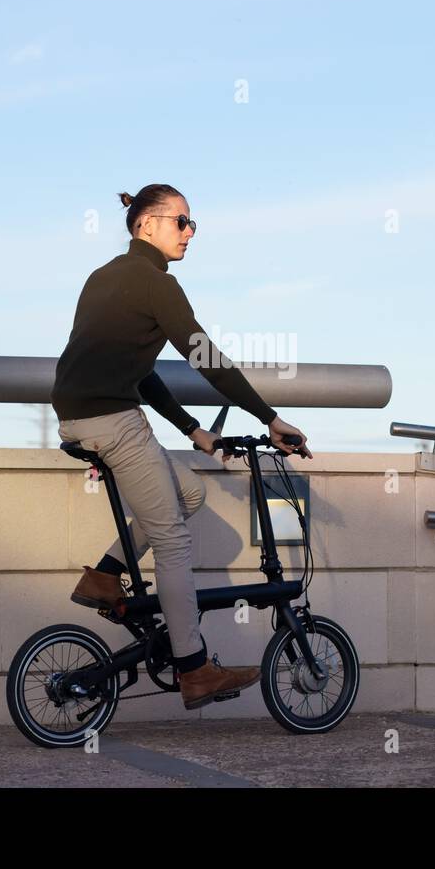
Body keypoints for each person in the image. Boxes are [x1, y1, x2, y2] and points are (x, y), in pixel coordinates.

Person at [50, 183, 311, 710]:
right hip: (111, 420)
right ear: (147, 224)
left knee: (188, 496)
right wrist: (270, 417)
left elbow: (141, 375)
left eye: (194, 225)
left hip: (81, 416)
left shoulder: (102, 278)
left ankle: (104, 575)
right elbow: (205, 357)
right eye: (181, 222)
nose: (190, 233)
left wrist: (195, 431)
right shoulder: (156, 283)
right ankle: (194, 670)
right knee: (173, 540)